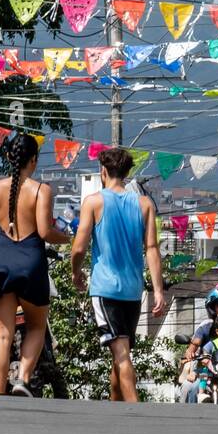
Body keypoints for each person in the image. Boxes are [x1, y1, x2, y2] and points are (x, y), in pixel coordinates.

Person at [0, 134, 70, 396]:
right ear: (34, 160)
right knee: (37, 326)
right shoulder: (41, 190)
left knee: (2, 335)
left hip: (2, 260)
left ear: (8, 157)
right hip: (31, 261)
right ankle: (23, 379)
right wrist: (66, 238)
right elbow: (44, 231)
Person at [71, 146, 166, 401]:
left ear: (103, 171)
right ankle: (115, 408)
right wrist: (158, 290)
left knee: (121, 354)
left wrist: (75, 272)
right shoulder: (145, 204)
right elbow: (152, 249)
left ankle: (134, 410)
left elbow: (79, 247)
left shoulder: (93, 202)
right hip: (133, 290)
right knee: (120, 352)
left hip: (105, 289)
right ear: (126, 172)